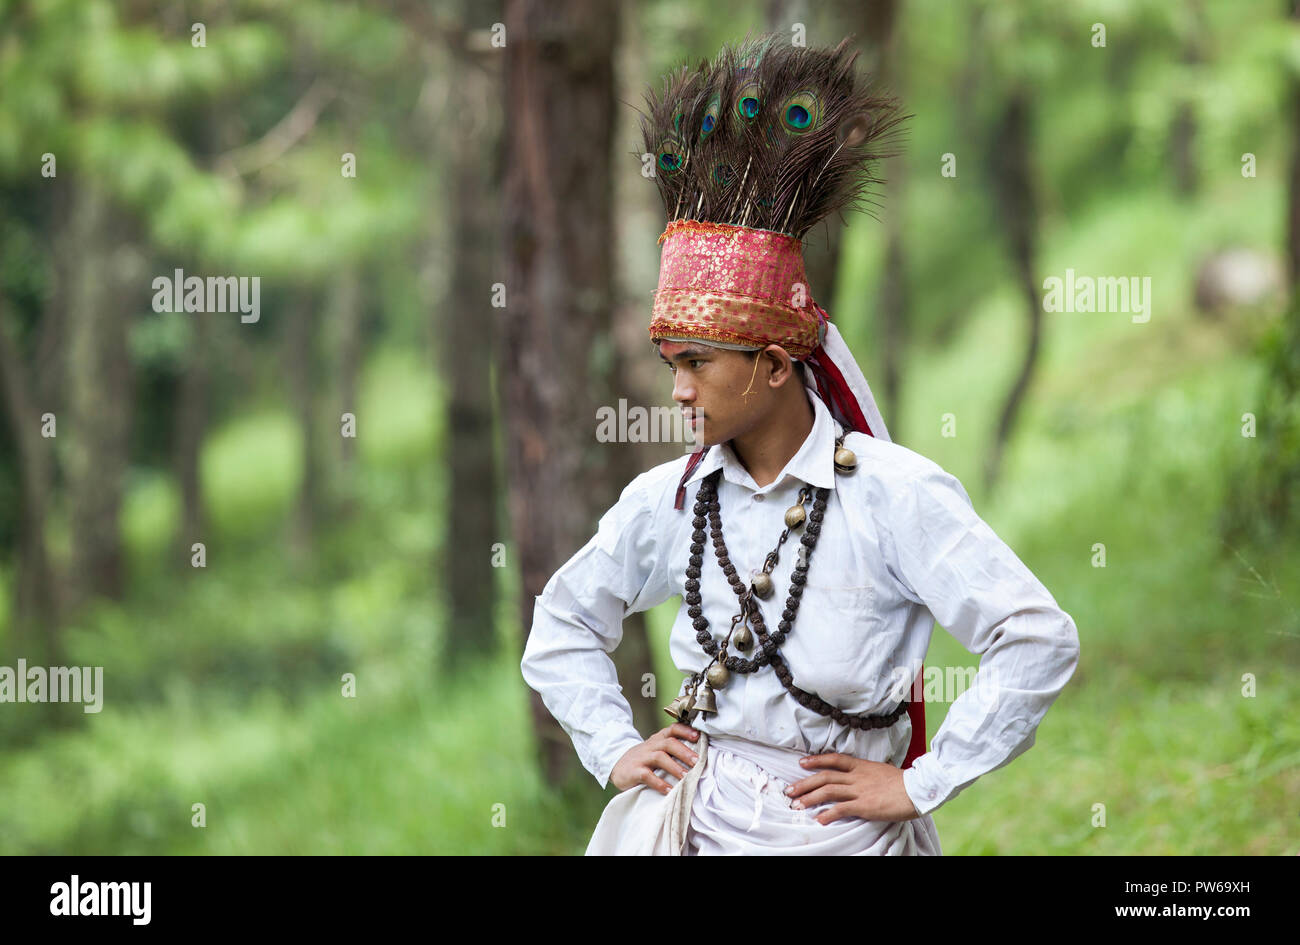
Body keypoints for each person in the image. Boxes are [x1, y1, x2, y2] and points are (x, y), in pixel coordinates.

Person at [519, 33, 1079, 855]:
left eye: (699, 363)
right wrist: (614, 747)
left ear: (776, 364)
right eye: (671, 364)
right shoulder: (669, 501)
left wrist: (919, 782)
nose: (678, 389)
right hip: (690, 826)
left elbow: (1036, 636)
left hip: (845, 837)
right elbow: (563, 622)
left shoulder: (893, 493)